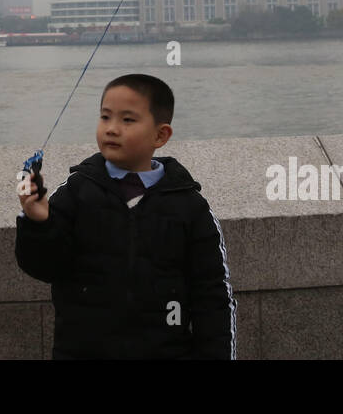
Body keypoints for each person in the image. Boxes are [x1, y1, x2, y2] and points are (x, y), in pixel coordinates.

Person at [15, 73, 236, 359]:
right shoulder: (75, 193)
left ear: (161, 135)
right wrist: (37, 220)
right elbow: (44, 267)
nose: (112, 129)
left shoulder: (190, 206)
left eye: (127, 120)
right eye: (105, 117)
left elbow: (213, 300)